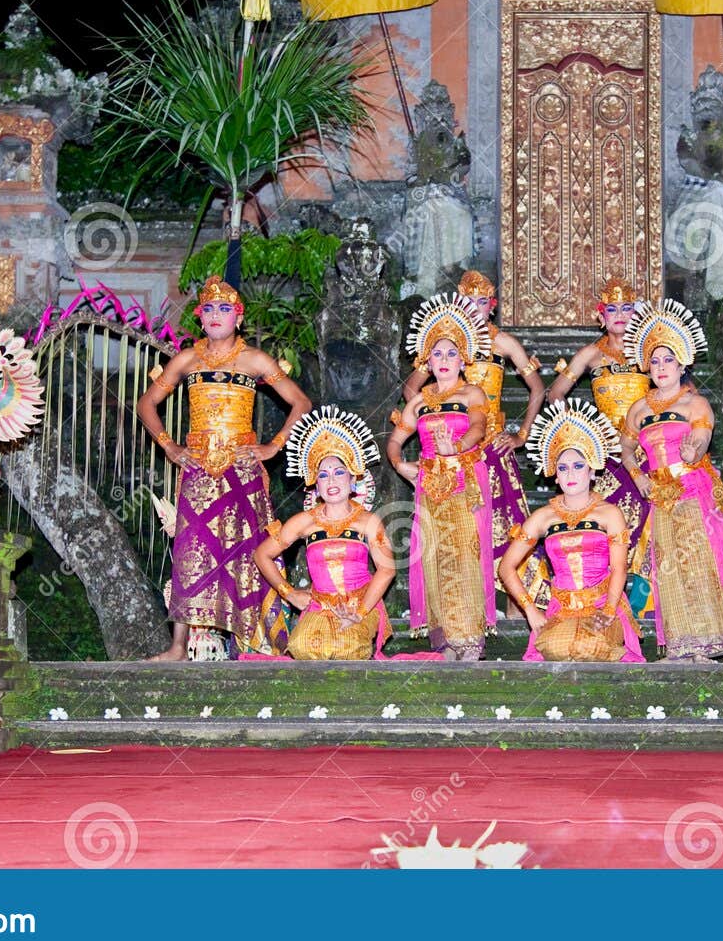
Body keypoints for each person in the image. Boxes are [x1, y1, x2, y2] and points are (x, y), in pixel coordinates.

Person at [136, 276, 311, 660]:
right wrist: (170, 446)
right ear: (200, 318)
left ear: (238, 317)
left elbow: (300, 402)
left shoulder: (255, 360)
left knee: (248, 550)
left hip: (243, 468)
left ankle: (253, 642)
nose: (216, 315)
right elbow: (146, 403)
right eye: (209, 309)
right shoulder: (187, 359)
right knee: (190, 549)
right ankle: (178, 647)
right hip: (198, 467)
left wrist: (272, 447)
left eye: (225, 308)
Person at [402, 271, 545, 606]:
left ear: (491, 307)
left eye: (482, 303)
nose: (475, 309)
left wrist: (521, 435)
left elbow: (538, 388)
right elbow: (410, 390)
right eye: (468, 302)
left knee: (509, 525)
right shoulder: (443, 345)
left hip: (492, 446)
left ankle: (515, 606)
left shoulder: (503, 343)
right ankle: (467, 603)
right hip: (450, 452)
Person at [619, 299, 723, 661]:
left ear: (682, 363)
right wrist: (636, 475)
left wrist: (694, 449)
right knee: (669, 565)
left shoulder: (696, 404)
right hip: (659, 493)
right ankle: (681, 643)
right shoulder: (639, 409)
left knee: (699, 562)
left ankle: (710, 641)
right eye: (655, 360)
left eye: (668, 360)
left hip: (693, 489)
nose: (661, 367)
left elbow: (701, 436)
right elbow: (627, 449)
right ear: (646, 364)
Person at [387, 293, 495, 660]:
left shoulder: (472, 393)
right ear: (427, 361)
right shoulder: (419, 400)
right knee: (433, 555)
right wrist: (401, 464)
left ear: (463, 358)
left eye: (451, 353)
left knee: (465, 554)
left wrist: (457, 446)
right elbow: (397, 439)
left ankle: (470, 639)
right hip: (430, 484)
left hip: (465, 481)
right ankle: (446, 638)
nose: (444, 360)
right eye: (437, 354)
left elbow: (479, 428)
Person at [499, 399, 645, 663]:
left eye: (578, 466)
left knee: (589, 646)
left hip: (604, 606)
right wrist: (531, 611)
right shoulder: (543, 517)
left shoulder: (609, 513)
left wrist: (610, 610)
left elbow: (619, 568)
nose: (571, 474)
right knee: (556, 646)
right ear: (554, 474)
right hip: (561, 610)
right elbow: (506, 567)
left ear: (592, 470)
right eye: (563, 468)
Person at [251, 407, 403, 660]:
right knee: (303, 648)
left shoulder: (368, 521)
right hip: (319, 604)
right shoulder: (304, 522)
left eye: (338, 472)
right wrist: (288, 593)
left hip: (361, 603)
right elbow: (262, 554)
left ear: (352, 479)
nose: (331, 481)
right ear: (316, 486)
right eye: (323, 475)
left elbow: (387, 569)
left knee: (346, 650)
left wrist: (360, 611)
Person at [546, 276, 652, 608]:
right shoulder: (592, 353)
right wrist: (578, 431)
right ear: (601, 316)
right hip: (604, 455)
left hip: (644, 450)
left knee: (649, 521)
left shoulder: (651, 350)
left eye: (627, 308)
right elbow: (555, 393)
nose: (620, 314)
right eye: (612, 308)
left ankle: (645, 601)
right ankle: (602, 594)